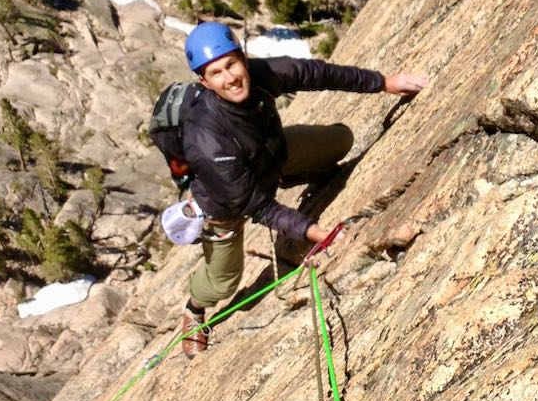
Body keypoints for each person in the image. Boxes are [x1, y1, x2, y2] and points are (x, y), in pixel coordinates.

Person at [178, 21, 427, 358]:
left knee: (341, 141)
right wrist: (316, 233)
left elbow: (317, 73)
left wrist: (384, 82)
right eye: (217, 72)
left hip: (271, 156)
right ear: (204, 82)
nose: (231, 77)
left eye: (233, 64)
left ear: (244, 58)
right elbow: (258, 206)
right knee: (223, 281)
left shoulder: (262, 73)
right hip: (229, 204)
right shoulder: (206, 137)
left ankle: (291, 175)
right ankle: (194, 311)